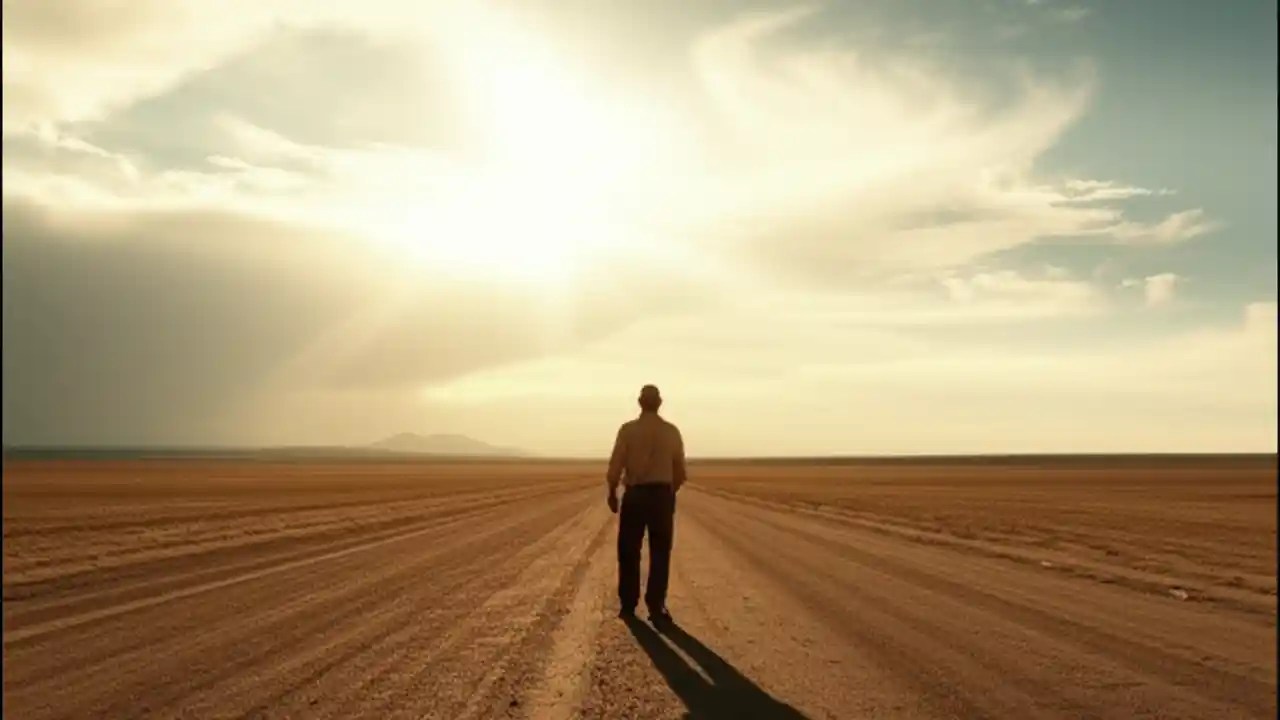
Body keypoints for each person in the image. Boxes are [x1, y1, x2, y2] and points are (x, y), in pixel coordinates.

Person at [607, 384, 687, 623]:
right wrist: (668, 492)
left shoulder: (628, 430)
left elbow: (616, 463)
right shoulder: (671, 431)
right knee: (660, 551)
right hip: (661, 496)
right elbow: (680, 471)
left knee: (629, 550)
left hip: (635, 495)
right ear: (659, 403)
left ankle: (628, 604)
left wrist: (612, 491)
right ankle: (656, 605)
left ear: (640, 403)